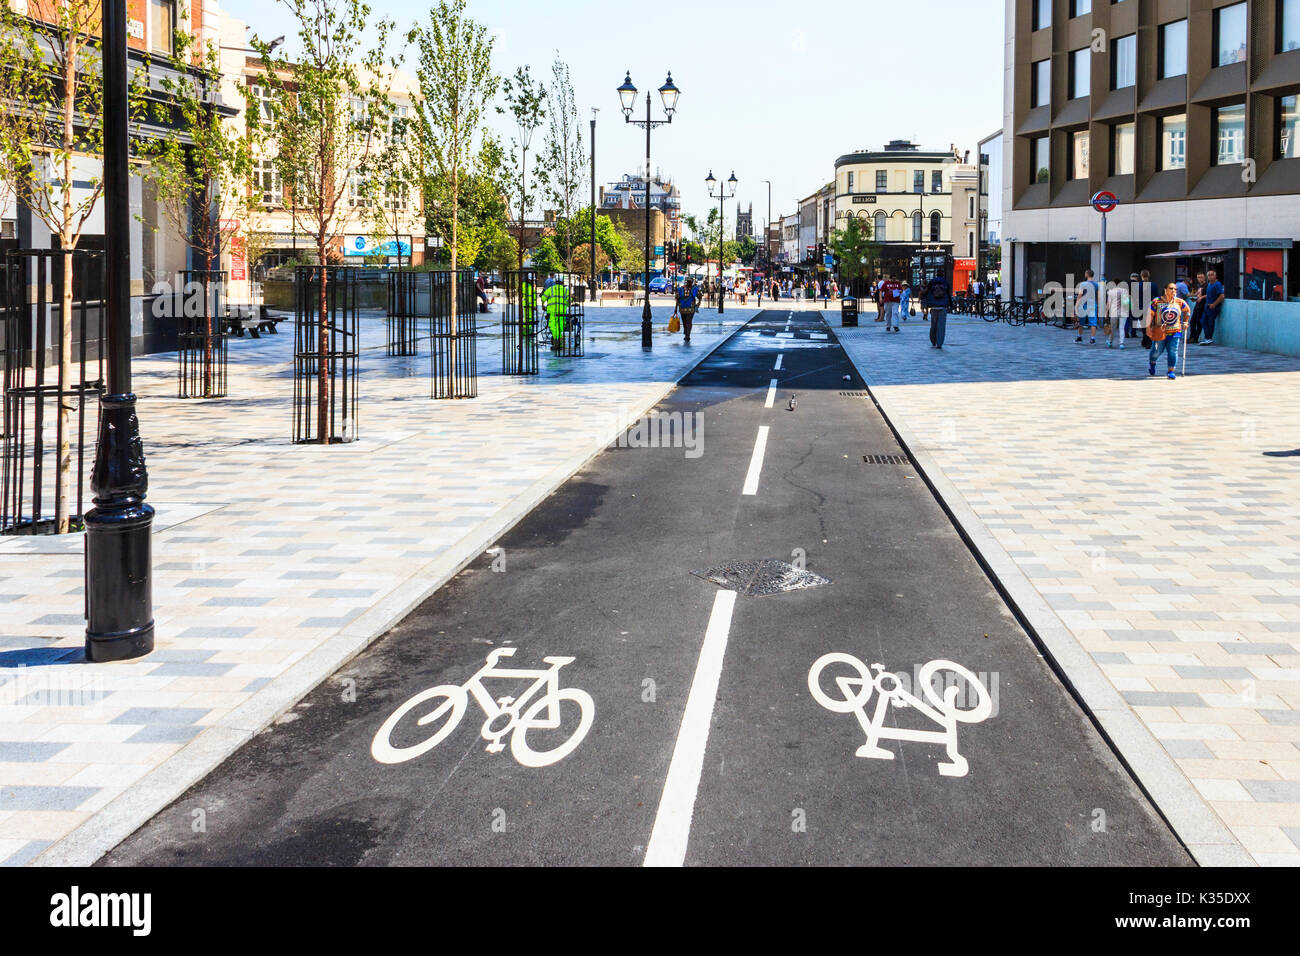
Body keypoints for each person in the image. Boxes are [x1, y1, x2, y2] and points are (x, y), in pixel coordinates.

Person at [1147, 281, 1190, 379]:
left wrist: (1186, 322)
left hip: (1175, 331)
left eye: (1175, 289)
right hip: (1159, 331)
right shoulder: (1156, 301)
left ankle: (1171, 371)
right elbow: (1150, 314)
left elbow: (1187, 311)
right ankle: (1152, 363)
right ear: (1165, 290)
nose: (1174, 291)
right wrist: (1148, 327)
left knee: (1173, 351)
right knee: (1156, 351)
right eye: (1171, 288)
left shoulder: (1179, 302)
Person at [925, 270, 952, 348]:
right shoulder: (946, 282)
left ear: (936, 274)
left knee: (934, 325)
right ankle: (939, 343)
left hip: (934, 306)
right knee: (941, 326)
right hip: (943, 306)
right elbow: (948, 293)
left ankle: (933, 341)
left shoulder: (932, 282)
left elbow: (927, 292)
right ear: (943, 275)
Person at [1075, 269, 1101, 344]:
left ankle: (1079, 337)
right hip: (1092, 304)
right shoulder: (1097, 285)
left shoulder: (1083, 284)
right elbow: (1098, 297)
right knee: (1093, 322)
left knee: (1081, 322)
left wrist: (1077, 304)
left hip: (1083, 304)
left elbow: (1080, 295)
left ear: (1087, 274)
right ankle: (1092, 339)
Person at [1201, 269, 1224, 345]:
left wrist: (1214, 304)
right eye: (1209, 275)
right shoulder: (1209, 284)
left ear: (1215, 276)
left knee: (1210, 322)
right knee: (1203, 321)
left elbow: (1221, 296)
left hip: (1213, 307)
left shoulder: (1217, 284)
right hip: (1207, 306)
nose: (1210, 276)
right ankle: (1207, 338)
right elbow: (1209, 294)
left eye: (1212, 275)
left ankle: (1209, 338)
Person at [675, 276, 701, 344]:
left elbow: (699, 296)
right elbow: (677, 299)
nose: (689, 283)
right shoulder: (681, 289)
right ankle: (686, 332)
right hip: (683, 308)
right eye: (688, 282)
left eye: (690, 282)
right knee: (685, 321)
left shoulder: (694, 289)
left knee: (688, 321)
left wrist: (698, 304)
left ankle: (687, 334)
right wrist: (675, 309)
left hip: (690, 308)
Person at [1189, 271, 1207, 343]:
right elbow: (1198, 294)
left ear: (1204, 277)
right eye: (1198, 277)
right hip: (1197, 305)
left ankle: (1195, 338)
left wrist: (1202, 297)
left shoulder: (1207, 285)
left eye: (1201, 277)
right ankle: (1192, 337)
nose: (1200, 279)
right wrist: (1195, 298)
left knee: (1198, 322)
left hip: (1202, 306)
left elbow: (1209, 294)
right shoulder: (1199, 286)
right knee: (1192, 322)